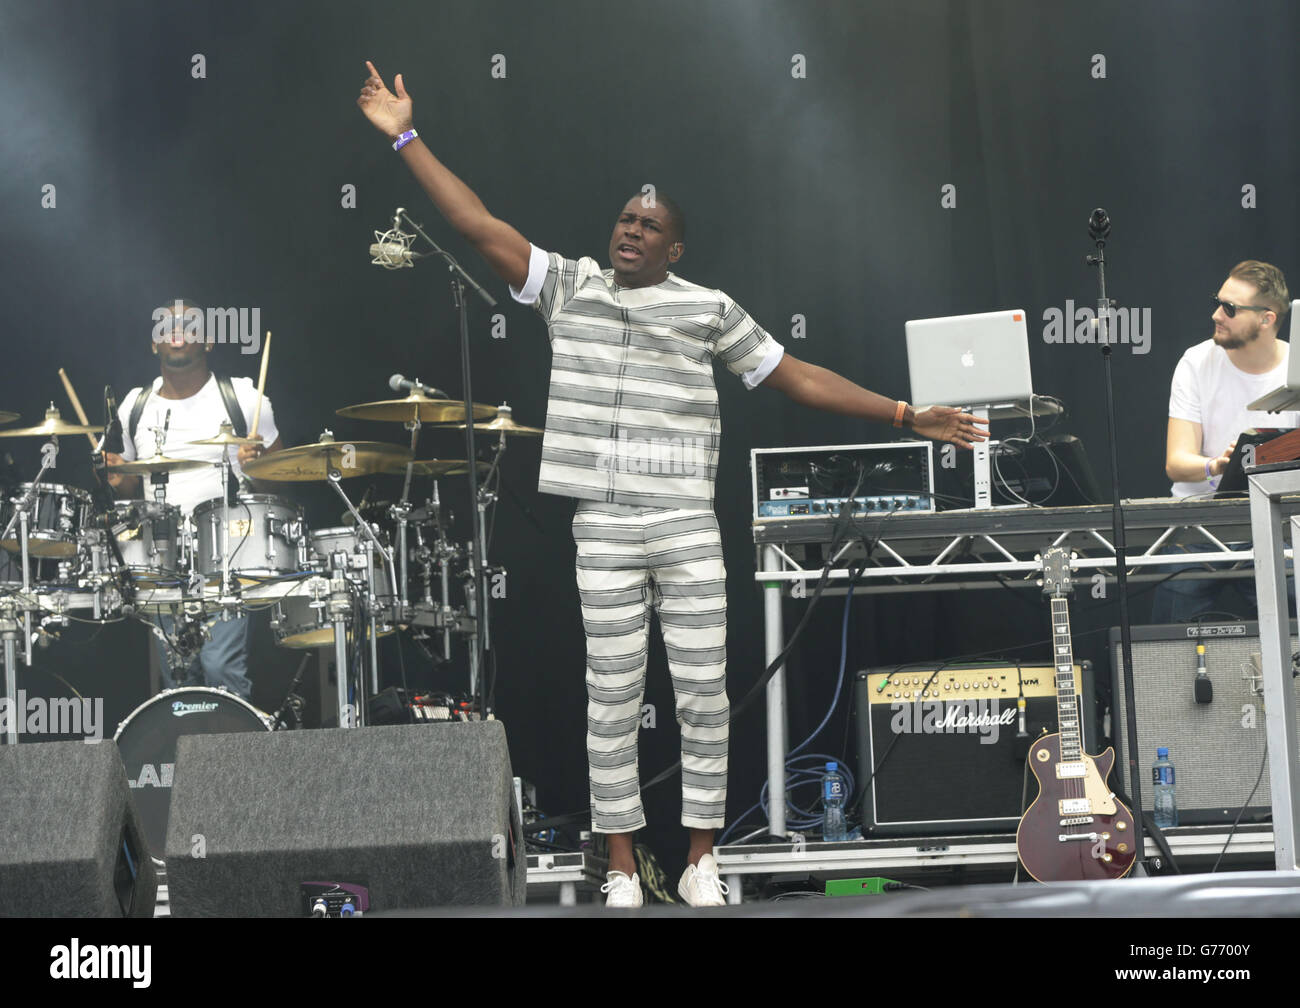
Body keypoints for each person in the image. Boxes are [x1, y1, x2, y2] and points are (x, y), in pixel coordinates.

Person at [357, 62, 986, 907]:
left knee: (702, 697)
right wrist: (405, 135)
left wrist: (908, 414)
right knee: (610, 698)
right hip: (604, 525)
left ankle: (700, 860)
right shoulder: (569, 285)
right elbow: (475, 223)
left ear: (674, 247)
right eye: (624, 218)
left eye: (649, 226)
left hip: (686, 519)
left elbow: (794, 375)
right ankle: (620, 867)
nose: (630, 231)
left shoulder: (707, 308)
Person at [105, 299, 284, 699]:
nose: (177, 332)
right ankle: (189, 760)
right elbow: (131, 489)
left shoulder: (243, 399)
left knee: (222, 668)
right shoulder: (135, 406)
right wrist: (118, 479)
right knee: (177, 678)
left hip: (226, 557)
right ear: (154, 345)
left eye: (189, 325)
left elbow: (287, 478)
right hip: (160, 558)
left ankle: (236, 759)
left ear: (209, 340)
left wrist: (257, 467)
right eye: (165, 328)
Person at [1155, 260, 1295, 622]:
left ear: (1267, 318)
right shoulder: (1197, 362)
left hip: (1279, 522)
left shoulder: (1295, 366)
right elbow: (1176, 462)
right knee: (1164, 643)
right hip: (1200, 522)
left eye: (1230, 308)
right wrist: (1216, 465)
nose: (1217, 314)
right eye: (1218, 302)